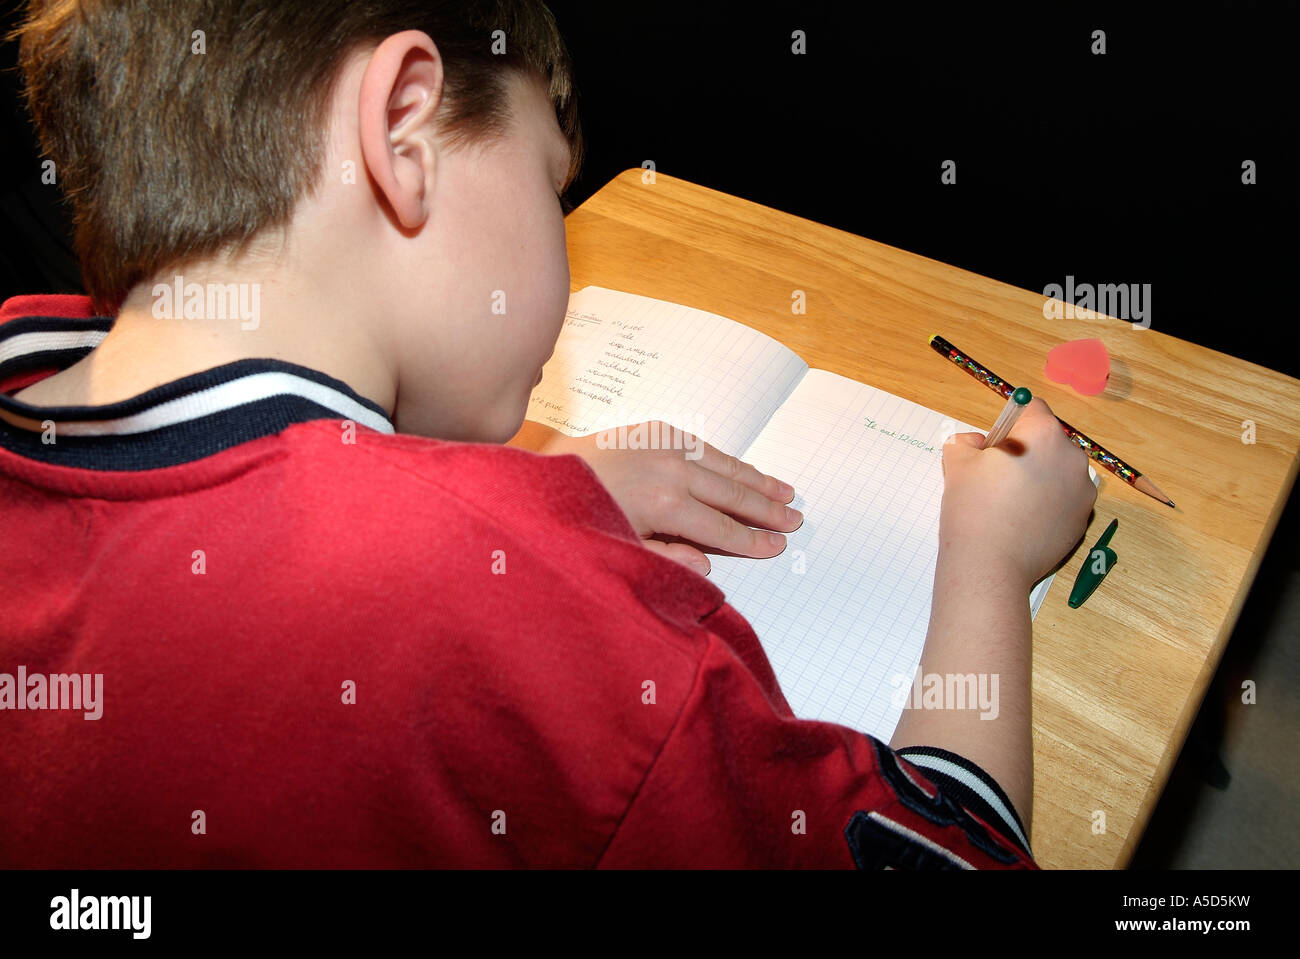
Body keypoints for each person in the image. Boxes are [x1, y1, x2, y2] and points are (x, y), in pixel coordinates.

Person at [0, 0, 1095, 867]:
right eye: (549, 182)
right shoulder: (517, 620)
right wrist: (992, 560)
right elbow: (956, 855)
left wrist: (490, 490)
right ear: (404, 129)